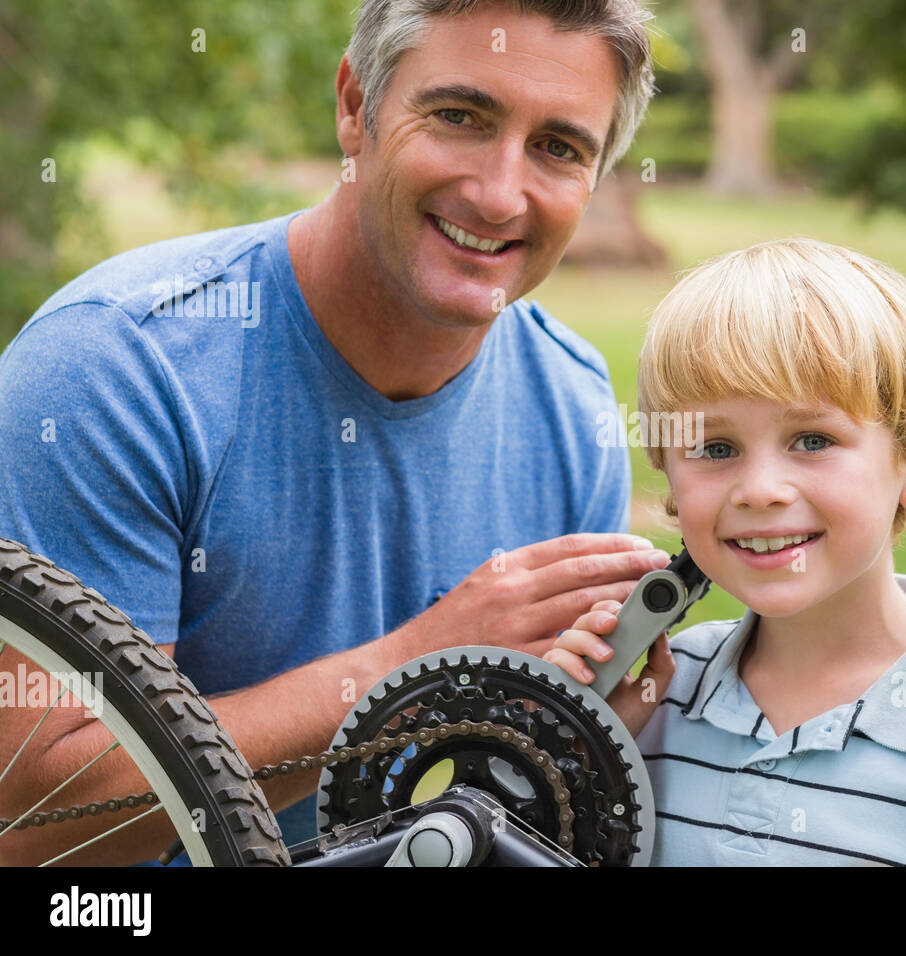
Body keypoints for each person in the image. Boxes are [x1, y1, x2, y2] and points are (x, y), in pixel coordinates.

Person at [0, 0, 669, 866]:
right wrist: (423, 666)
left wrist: (584, 730)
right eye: (460, 117)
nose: (501, 193)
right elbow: (31, 820)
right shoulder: (116, 369)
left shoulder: (573, 406)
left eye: (559, 148)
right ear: (356, 107)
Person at [545, 237, 906, 865]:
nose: (759, 491)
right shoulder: (652, 701)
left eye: (812, 439)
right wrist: (573, 751)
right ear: (667, 470)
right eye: (716, 449)